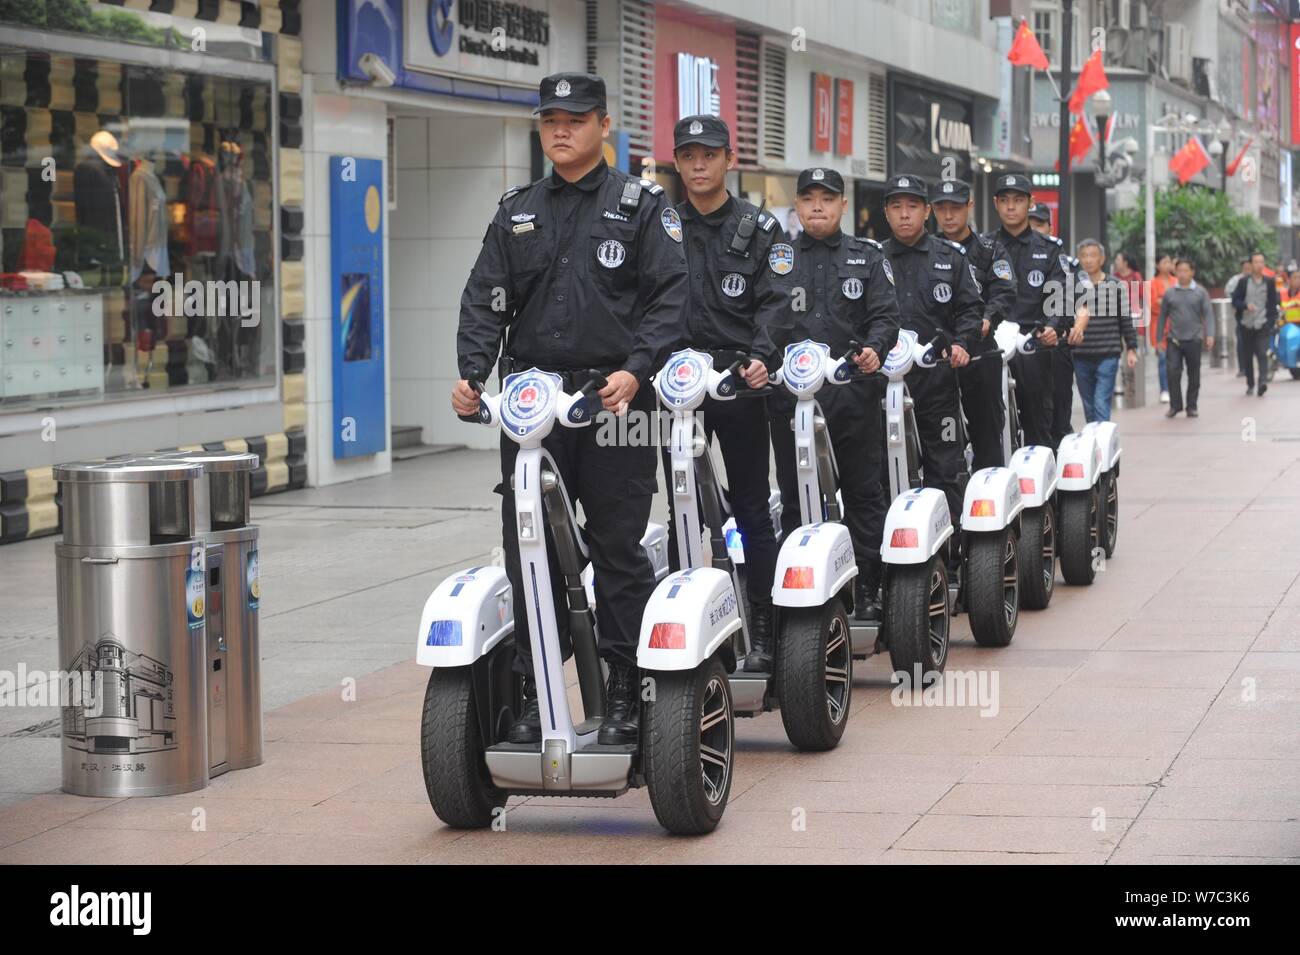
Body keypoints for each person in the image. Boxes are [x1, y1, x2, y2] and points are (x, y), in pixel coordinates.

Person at [452, 73, 688, 746]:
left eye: (576, 119)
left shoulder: (642, 205)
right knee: (530, 550)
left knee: (616, 546)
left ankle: (623, 690)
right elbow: (484, 298)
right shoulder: (517, 209)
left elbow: (670, 296)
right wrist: (472, 374)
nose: (561, 129)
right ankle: (536, 690)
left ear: (604, 125)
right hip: (532, 408)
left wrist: (635, 371)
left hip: (611, 402)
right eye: (550, 118)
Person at [665, 114, 791, 672]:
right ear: (677, 161)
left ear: (728, 159)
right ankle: (678, 627)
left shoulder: (760, 229)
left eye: (708, 155)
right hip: (676, 389)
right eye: (688, 155)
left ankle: (763, 628)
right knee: (682, 508)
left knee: (751, 508)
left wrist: (761, 358)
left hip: (739, 383)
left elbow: (778, 302)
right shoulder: (660, 225)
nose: (698, 165)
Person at [768, 166, 899, 623]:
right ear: (797, 206)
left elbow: (885, 316)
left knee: (863, 494)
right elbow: (763, 320)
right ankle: (798, 599)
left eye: (827, 198)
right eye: (808, 199)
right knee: (794, 497)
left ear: (844, 204)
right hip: (793, 401)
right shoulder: (778, 257)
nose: (817, 206)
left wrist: (874, 350)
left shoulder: (867, 256)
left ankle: (867, 589)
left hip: (853, 396)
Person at [882, 174, 983, 574]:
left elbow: (971, 310)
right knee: (884, 471)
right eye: (896, 207)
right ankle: (887, 559)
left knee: (945, 468)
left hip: (937, 383)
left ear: (926, 211)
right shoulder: (871, 258)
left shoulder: (951, 257)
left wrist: (962, 344)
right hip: (884, 387)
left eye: (912, 206)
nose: (904, 214)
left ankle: (954, 555)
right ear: (887, 212)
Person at [930, 178, 1017, 469]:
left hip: (978, 350)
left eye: (955, 207)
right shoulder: (926, 251)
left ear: (969, 206)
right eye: (941, 208)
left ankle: (990, 492)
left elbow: (1004, 292)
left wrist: (986, 319)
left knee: (987, 431)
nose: (949, 215)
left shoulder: (990, 250)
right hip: (936, 355)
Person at [990, 174, 1071, 449]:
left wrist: (1052, 327)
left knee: (1038, 427)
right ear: (996, 204)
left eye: (1018, 200)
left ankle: (1044, 490)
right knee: (987, 427)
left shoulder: (1049, 249)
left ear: (1030, 203)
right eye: (1005, 200)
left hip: (1033, 344)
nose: (1011, 207)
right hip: (992, 347)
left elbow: (1060, 294)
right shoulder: (982, 248)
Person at [1069, 239, 1137, 423]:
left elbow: (1125, 318)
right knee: (1088, 404)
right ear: (1078, 259)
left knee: (1100, 401)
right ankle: (1095, 446)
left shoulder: (1115, 285)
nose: (1088, 260)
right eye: (1084, 256)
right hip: (1081, 354)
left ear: (1102, 258)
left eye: (1093, 255)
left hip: (1108, 353)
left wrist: (1132, 347)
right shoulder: (1072, 286)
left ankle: (1102, 444)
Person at [1158, 258, 1215, 416]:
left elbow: (1208, 315)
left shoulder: (1200, 292)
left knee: (1194, 374)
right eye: (1179, 271)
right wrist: (1158, 339)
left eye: (1185, 270)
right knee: (1172, 372)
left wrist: (1210, 334)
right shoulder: (1170, 293)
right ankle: (1175, 405)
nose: (1182, 274)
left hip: (1194, 339)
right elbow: (1163, 316)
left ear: (1192, 272)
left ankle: (1192, 406)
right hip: (1174, 339)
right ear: (1175, 272)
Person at [1231, 251, 1280, 396]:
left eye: (1261, 262)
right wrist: (1245, 306)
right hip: (1246, 324)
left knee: (1262, 353)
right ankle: (1250, 383)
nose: (1259, 265)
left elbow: (1273, 303)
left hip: (1262, 323)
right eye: (1256, 262)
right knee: (1248, 356)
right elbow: (1235, 301)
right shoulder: (1243, 282)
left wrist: (1270, 322)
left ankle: (1262, 382)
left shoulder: (1269, 282)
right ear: (1251, 265)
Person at [1149, 253, 1175, 402]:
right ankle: (1164, 389)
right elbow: (1152, 304)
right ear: (1158, 265)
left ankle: (1173, 387)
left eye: (1169, 262)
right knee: (1163, 358)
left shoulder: (1176, 281)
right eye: (1164, 262)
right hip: (1158, 326)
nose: (1167, 265)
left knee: (1174, 359)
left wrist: (1163, 300)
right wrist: (1168, 302)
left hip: (1175, 326)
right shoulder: (1152, 283)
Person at [1224, 257, 1252, 378]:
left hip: (1258, 316)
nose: (1247, 270)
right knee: (1241, 341)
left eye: (1249, 267)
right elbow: (1229, 292)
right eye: (1245, 268)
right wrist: (1238, 303)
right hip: (1241, 315)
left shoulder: (1260, 280)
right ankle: (1243, 368)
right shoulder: (1237, 280)